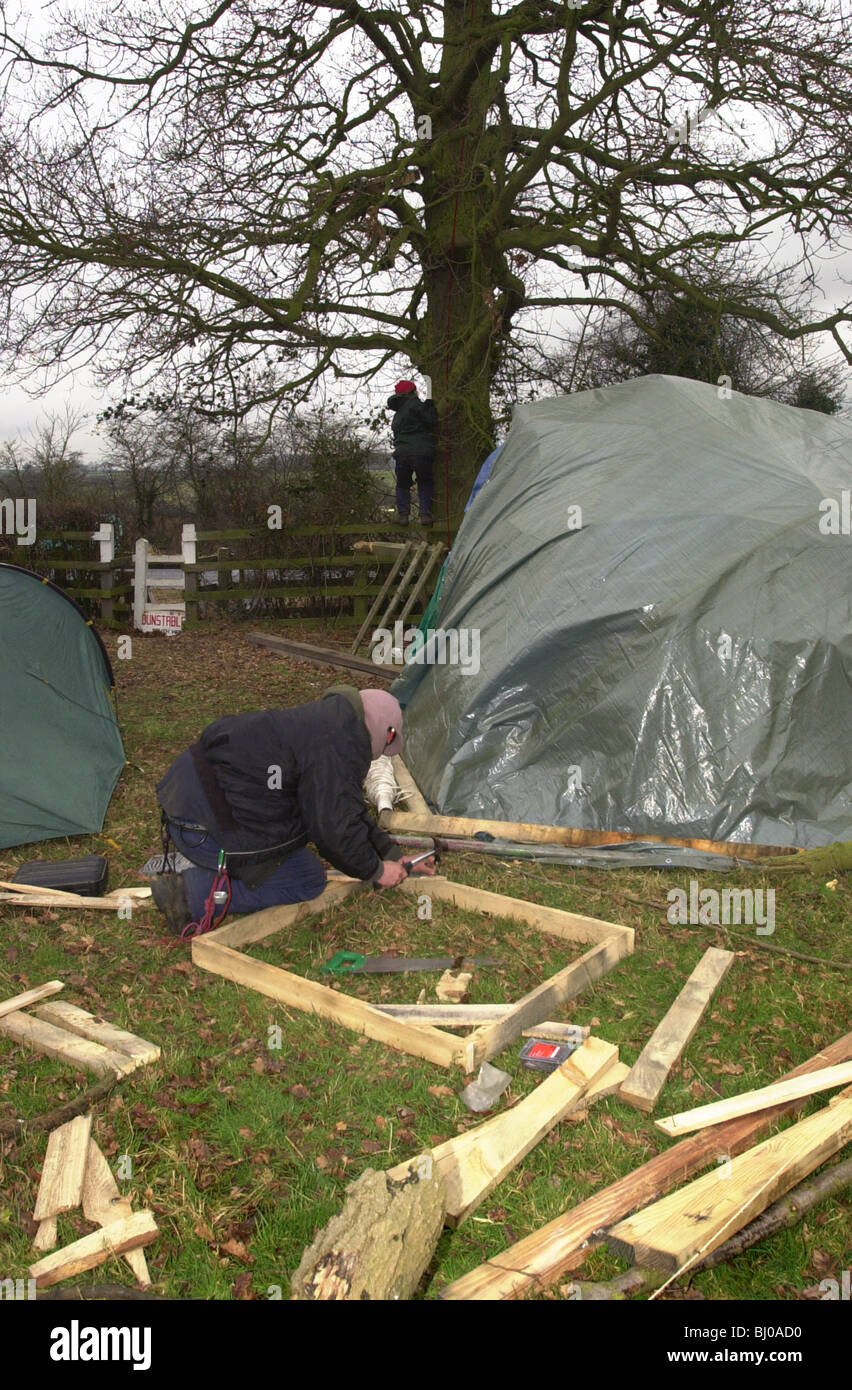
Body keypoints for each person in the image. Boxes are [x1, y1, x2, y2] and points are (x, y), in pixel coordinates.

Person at [149, 685, 435, 935]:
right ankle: (190, 894)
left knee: (292, 852)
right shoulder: (338, 744)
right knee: (306, 877)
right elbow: (331, 829)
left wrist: (393, 855)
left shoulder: (329, 725)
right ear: (386, 731)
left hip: (190, 802)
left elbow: (345, 807)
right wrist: (375, 870)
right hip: (202, 825)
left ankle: (209, 866)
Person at [386, 378, 438, 525]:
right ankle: (425, 515)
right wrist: (429, 405)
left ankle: (403, 516)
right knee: (425, 482)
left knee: (402, 484)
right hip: (422, 452)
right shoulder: (416, 405)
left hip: (402, 453)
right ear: (411, 392)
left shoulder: (397, 415)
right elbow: (431, 420)